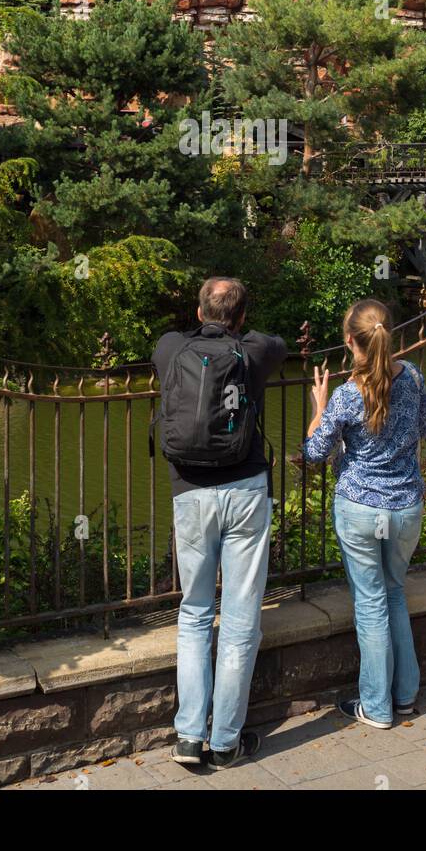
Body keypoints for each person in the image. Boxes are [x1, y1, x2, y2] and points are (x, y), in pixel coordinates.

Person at [152, 277, 287, 768]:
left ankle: (188, 736)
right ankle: (226, 741)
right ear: (243, 317)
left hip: (189, 494)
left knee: (193, 614)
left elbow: (168, 343)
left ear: (198, 310)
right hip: (246, 492)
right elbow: (281, 344)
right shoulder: (254, 353)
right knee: (239, 617)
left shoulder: (171, 349)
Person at [302, 298, 426, 728]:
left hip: (360, 508)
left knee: (372, 603)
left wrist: (319, 408)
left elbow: (315, 452)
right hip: (404, 507)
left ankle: (376, 707)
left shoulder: (344, 395)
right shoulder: (412, 376)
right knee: (395, 593)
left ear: (349, 341)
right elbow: (424, 431)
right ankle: (406, 695)